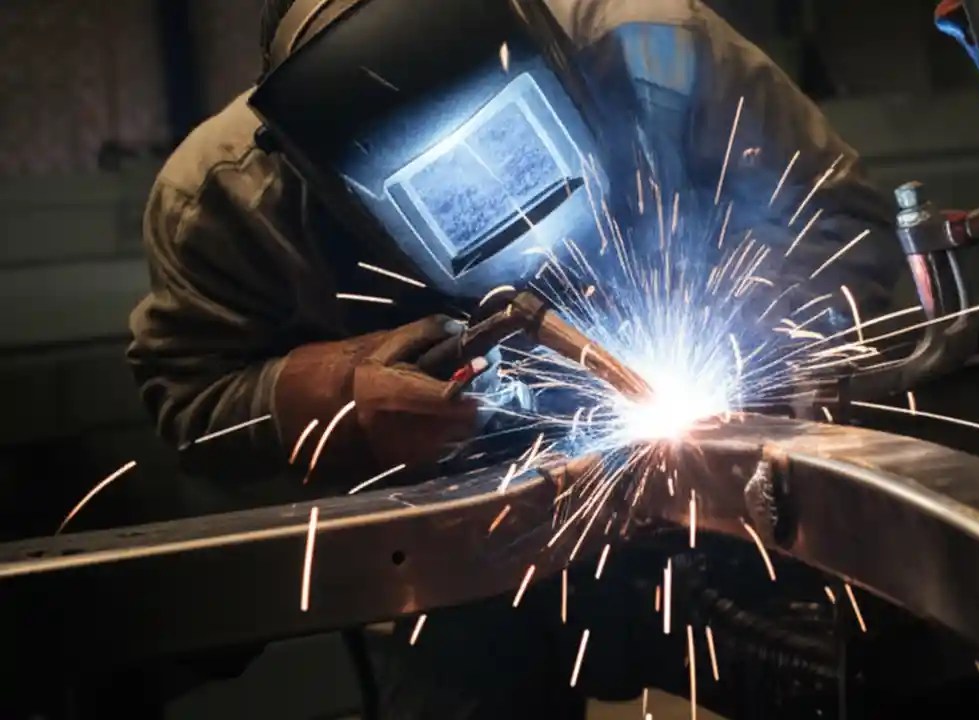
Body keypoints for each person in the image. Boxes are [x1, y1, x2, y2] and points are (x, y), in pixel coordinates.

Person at [126, 0, 902, 716]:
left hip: (706, 492)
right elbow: (190, 399)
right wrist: (335, 395)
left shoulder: (654, 46)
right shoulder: (226, 198)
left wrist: (736, 340)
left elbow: (836, 216)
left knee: (861, 670)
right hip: (460, 542)